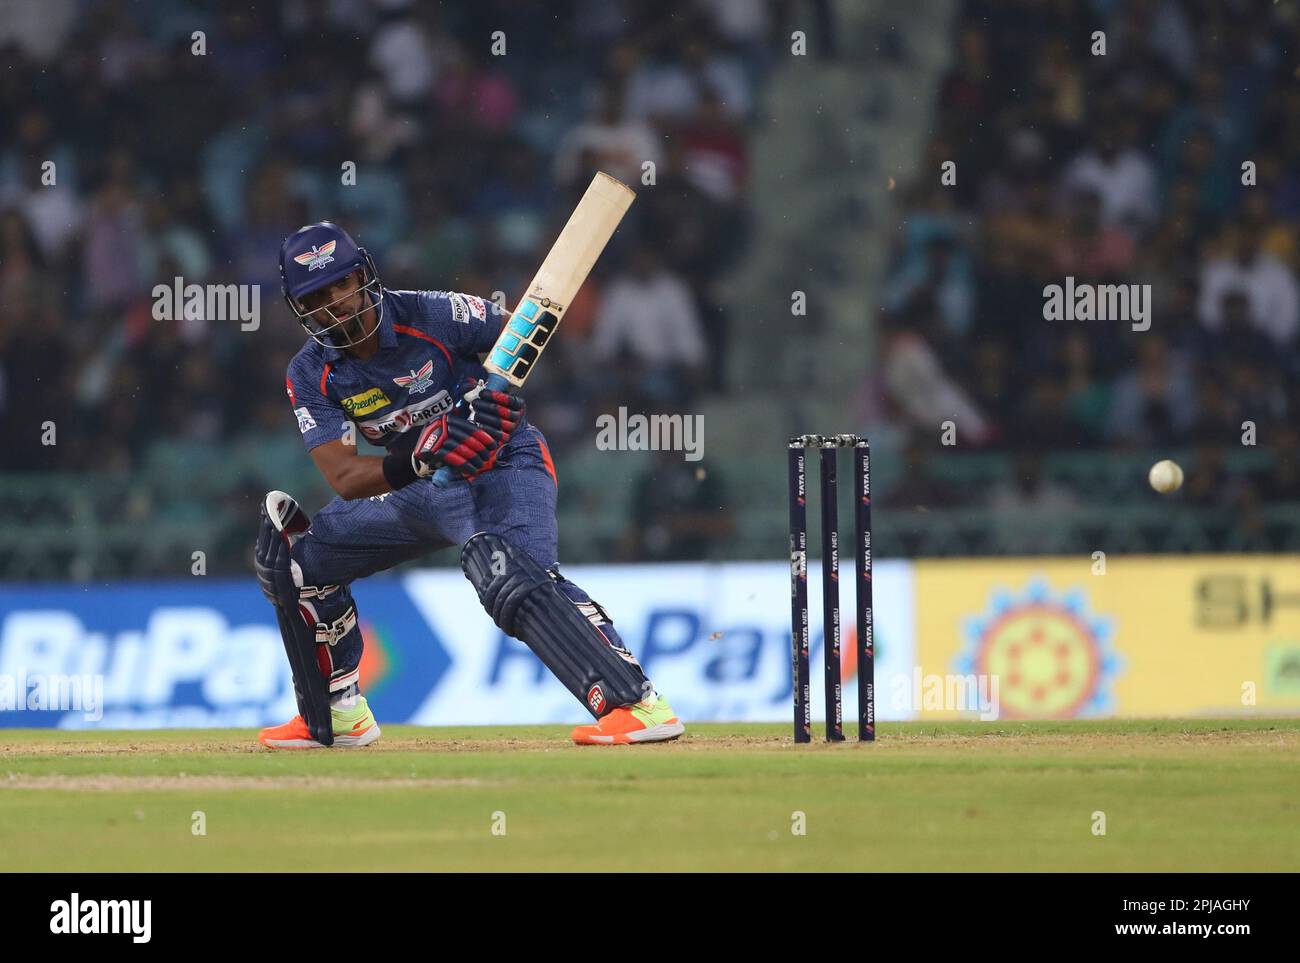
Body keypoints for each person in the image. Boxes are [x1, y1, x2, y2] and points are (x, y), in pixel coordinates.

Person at [254, 221, 684, 748]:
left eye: (341, 284)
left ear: (364, 275)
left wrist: (495, 406)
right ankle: (338, 715)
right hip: (424, 488)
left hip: (502, 466)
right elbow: (345, 476)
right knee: (295, 564)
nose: (335, 303)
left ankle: (636, 704)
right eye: (317, 296)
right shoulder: (310, 371)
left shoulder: (434, 315)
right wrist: (421, 455)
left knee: (508, 574)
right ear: (300, 307)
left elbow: (530, 344)